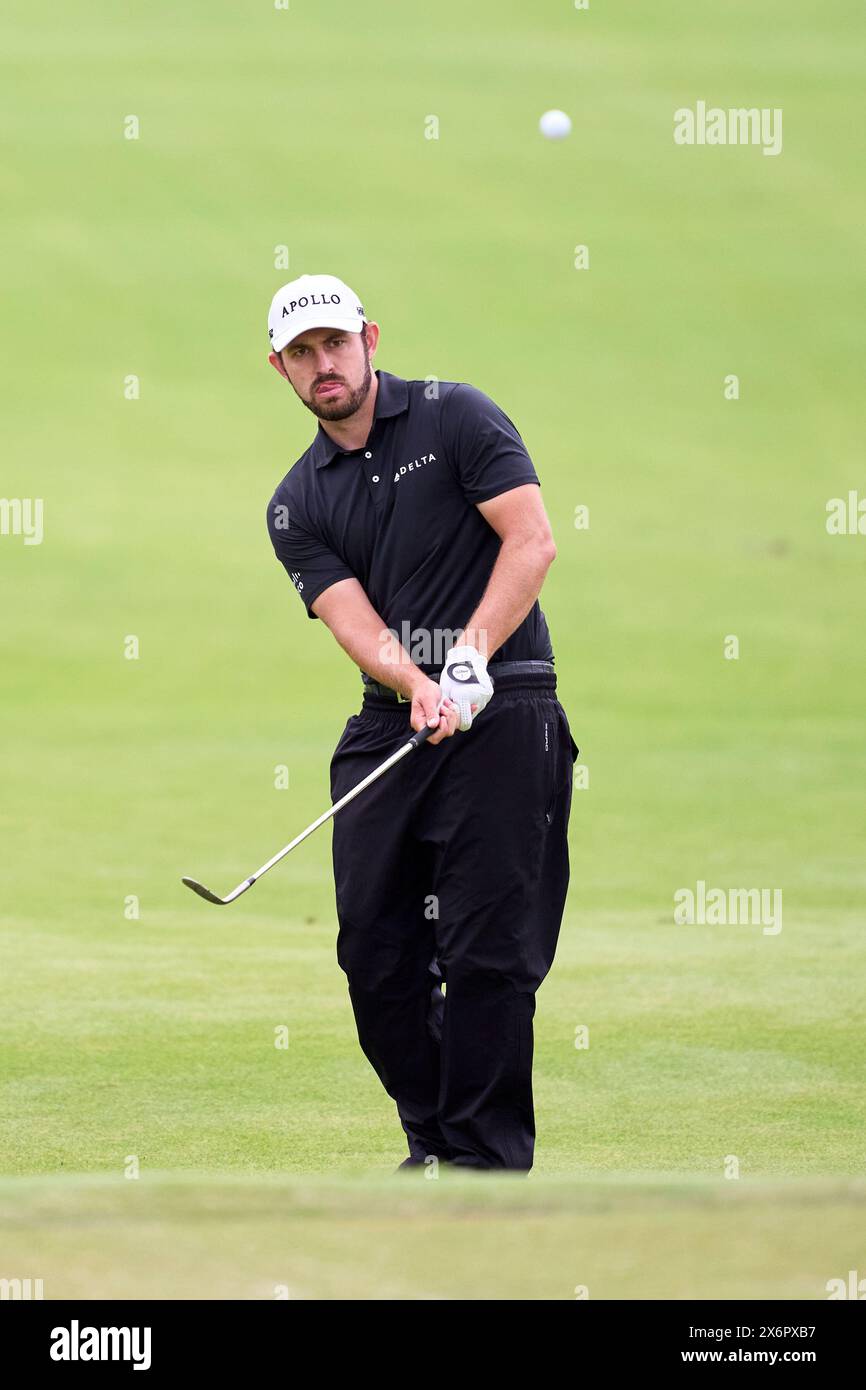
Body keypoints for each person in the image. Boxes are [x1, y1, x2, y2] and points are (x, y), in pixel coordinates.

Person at [266, 273, 577, 1171]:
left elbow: (532, 540)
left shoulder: (457, 417)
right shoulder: (296, 501)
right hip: (395, 717)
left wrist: (472, 657)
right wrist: (418, 682)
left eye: (334, 343)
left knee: (486, 954)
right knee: (374, 952)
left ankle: (482, 1162)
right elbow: (352, 618)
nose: (323, 365)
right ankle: (435, 1136)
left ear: (368, 337)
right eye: (301, 354)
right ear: (280, 369)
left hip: (509, 694)